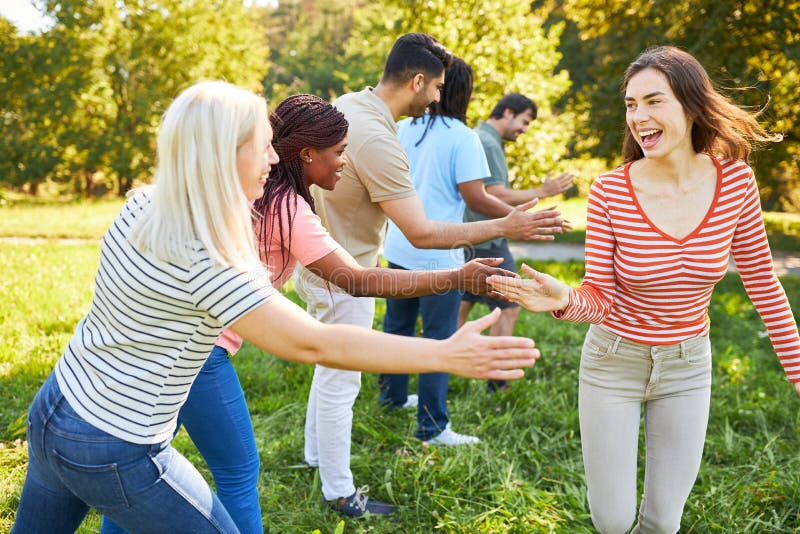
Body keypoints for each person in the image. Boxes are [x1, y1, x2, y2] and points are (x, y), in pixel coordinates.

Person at [10, 80, 542, 534]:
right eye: (263, 146)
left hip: (58, 405)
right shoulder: (212, 256)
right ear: (222, 153)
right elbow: (312, 341)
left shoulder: (145, 201)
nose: (272, 157)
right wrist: (443, 354)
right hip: (116, 445)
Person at [488, 46, 800, 534]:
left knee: (662, 523)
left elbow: (762, 282)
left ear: (691, 106)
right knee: (611, 522)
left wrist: (798, 370)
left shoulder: (735, 181)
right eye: (631, 104)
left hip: (688, 365)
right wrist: (566, 299)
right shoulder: (611, 190)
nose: (639, 116)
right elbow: (601, 298)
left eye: (654, 101)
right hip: (614, 361)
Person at [296, 32, 569, 518]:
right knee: (342, 381)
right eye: (438, 86)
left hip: (321, 259)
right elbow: (420, 232)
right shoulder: (379, 137)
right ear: (417, 81)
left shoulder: (349, 105)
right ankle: (339, 492)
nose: (441, 97)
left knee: (328, 366)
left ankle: (314, 456)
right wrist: (506, 224)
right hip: (347, 270)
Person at [378, 58, 568, 445]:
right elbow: (477, 197)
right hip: (440, 253)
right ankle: (432, 428)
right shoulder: (462, 136)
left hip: (398, 245)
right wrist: (520, 219)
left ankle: (392, 399)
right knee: (439, 339)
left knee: (397, 327)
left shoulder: (401, 128)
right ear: (461, 91)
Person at [457, 92, 575, 392]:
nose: (524, 130)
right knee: (509, 306)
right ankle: (496, 381)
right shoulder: (488, 142)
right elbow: (495, 193)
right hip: (487, 237)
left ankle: (449, 368)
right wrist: (544, 192)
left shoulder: (478, 137)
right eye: (524, 122)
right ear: (507, 112)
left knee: (462, 303)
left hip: (469, 233)